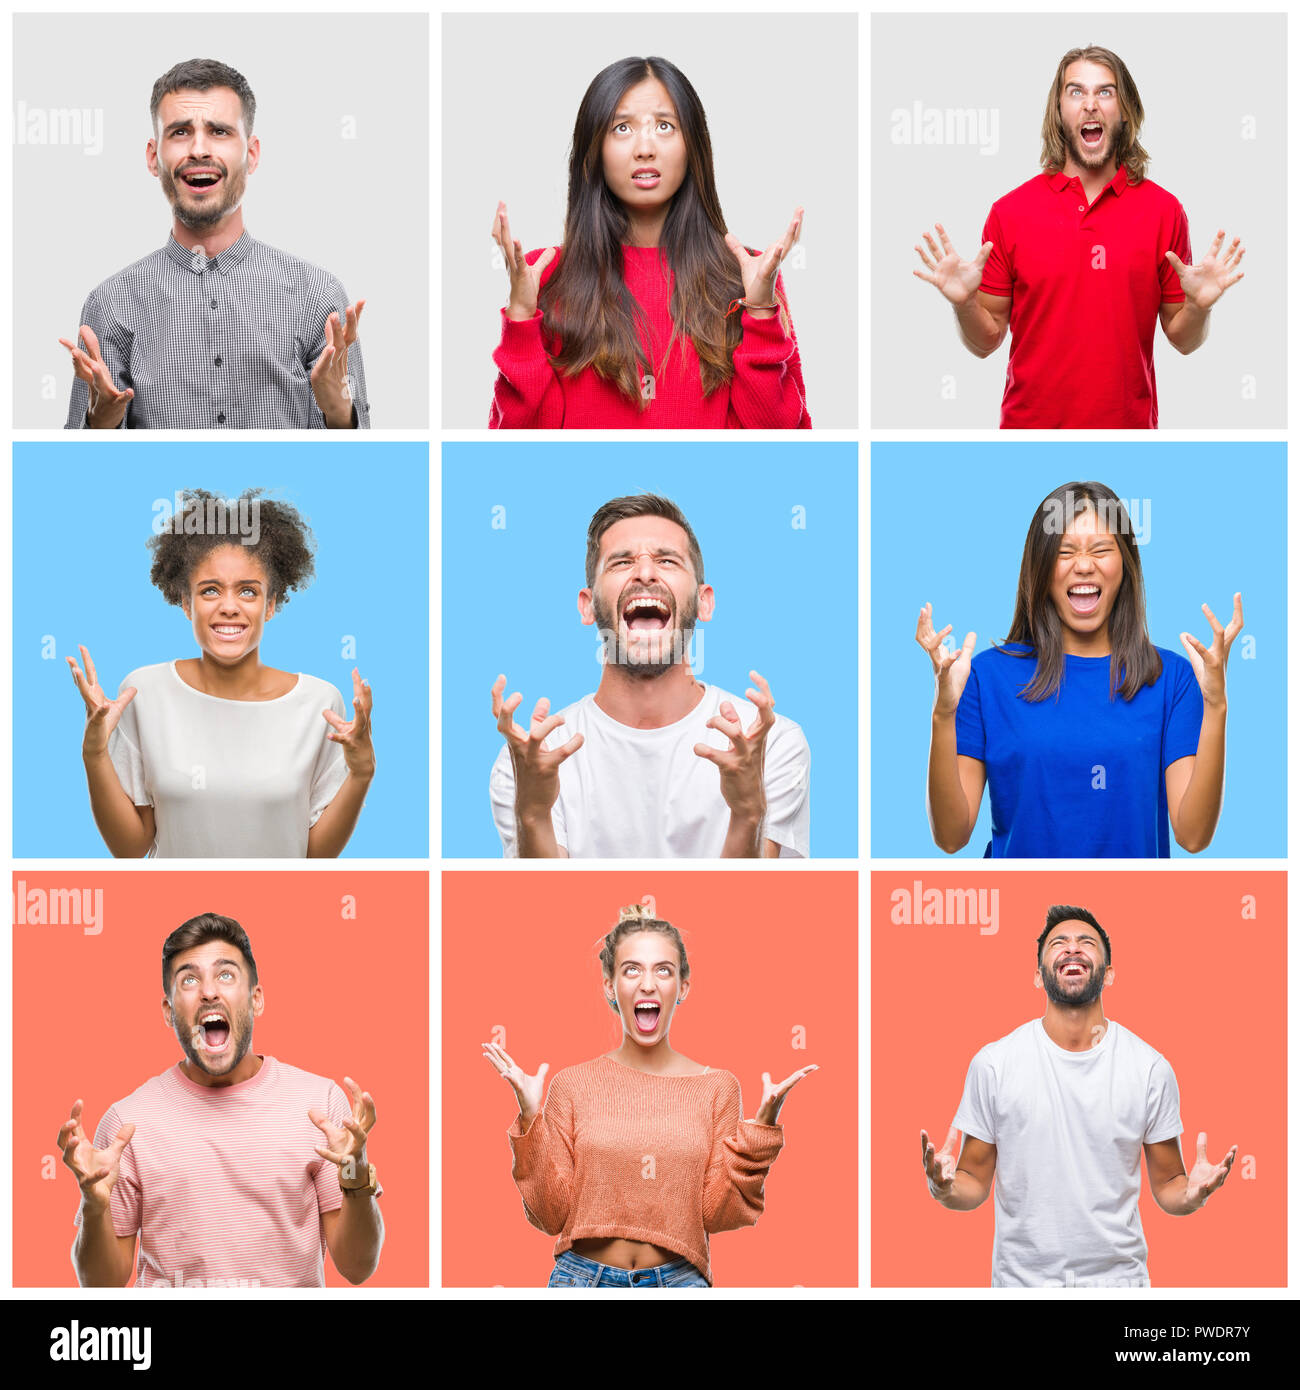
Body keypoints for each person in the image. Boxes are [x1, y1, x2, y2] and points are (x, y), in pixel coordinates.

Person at [483, 903, 816, 1287]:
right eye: (631, 969)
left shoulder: (717, 1087)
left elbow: (718, 1214)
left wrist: (761, 1132)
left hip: (679, 1281)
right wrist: (529, 1117)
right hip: (581, 1280)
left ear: (683, 987)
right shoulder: (572, 1084)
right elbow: (549, 1214)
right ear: (610, 986)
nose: (647, 983)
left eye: (663, 970)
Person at [912, 45, 1244, 428]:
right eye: (1076, 91)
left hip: (1127, 436)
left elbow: (1183, 340)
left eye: (1105, 91)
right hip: (1028, 436)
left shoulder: (1164, 211)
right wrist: (964, 303)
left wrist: (1200, 307)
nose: (1090, 104)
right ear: (1059, 111)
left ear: (1124, 112)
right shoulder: (1009, 212)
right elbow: (985, 342)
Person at [916, 480, 1242, 857]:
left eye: (1101, 550)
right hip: (1019, 908)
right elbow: (951, 837)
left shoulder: (1171, 679)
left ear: (1125, 564)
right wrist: (943, 714)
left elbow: (1193, 836)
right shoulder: (985, 678)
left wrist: (1216, 705)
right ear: (1040, 567)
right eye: (1065, 551)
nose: (1084, 566)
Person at [58, 913, 383, 1288]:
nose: (209, 992)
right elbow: (102, 1285)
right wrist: (95, 1206)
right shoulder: (127, 1123)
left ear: (256, 999)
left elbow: (357, 1268)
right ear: (168, 1011)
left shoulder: (320, 1106)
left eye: (225, 975)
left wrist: (355, 1175)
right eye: (189, 979)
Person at [920, 904, 1235, 1288]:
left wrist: (1193, 1194)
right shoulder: (994, 1064)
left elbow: (1170, 1185)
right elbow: (972, 1182)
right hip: (1021, 1283)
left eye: (1086, 942)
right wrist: (945, 1189)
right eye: (1058, 943)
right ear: (1038, 976)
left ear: (1109, 973)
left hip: (1119, 1283)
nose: (1072, 949)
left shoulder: (1149, 1068)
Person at [489, 55, 810, 428]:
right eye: (622, 128)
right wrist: (522, 319)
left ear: (693, 146)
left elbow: (784, 445)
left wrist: (759, 311)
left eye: (664, 125)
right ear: (594, 151)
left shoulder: (747, 275)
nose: (645, 147)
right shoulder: (545, 274)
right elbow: (518, 449)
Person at [490, 492, 810, 857]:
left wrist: (748, 813)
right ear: (588, 605)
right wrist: (532, 814)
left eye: (667, 560)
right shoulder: (533, 758)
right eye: (621, 562)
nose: (644, 573)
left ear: (704, 601)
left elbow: (749, 913)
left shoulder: (771, 744)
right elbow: (548, 912)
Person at [60, 58, 368, 430]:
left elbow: (360, 475)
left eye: (219, 131)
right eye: (179, 132)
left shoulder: (318, 297)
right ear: (153, 158)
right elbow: (79, 478)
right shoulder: (110, 306)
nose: (199, 150)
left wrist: (339, 413)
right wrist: (99, 425)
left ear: (250, 154)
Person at [68, 488, 375, 857]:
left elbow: (312, 858)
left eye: (248, 592)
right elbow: (131, 848)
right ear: (185, 603)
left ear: (271, 605)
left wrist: (361, 773)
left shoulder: (319, 704)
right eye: (210, 590)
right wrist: (95, 753)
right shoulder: (143, 692)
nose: (229, 606)